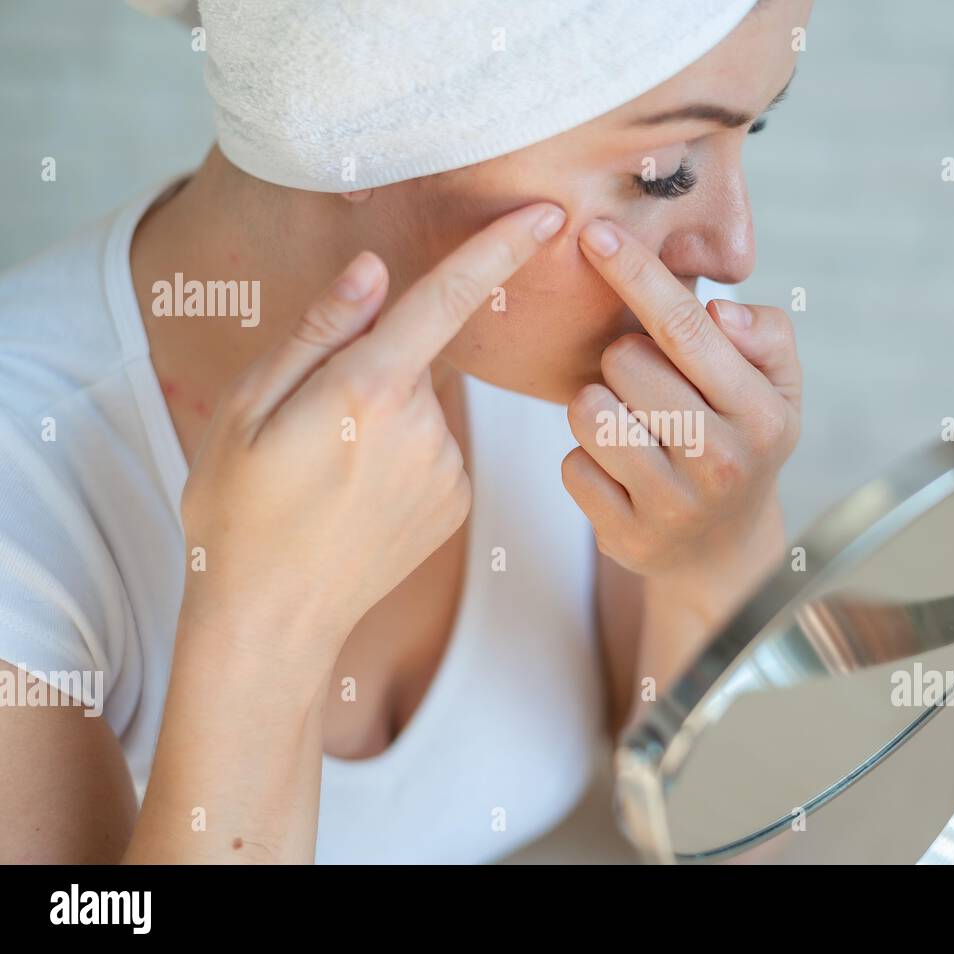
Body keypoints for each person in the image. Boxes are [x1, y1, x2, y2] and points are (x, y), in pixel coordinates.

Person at [0, 0, 810, 863]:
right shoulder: (30, 486)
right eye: (665, 172)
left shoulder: (588, 366)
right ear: (364, 110)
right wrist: (263, 640)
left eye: (751, 131)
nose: (733, 251)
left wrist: (716, 561)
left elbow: (730, 846)